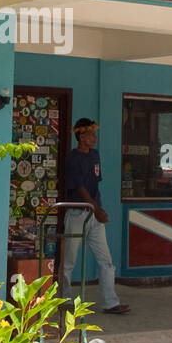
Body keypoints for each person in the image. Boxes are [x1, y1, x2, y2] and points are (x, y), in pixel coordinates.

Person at [61, 118, 129, 313]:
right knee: (69, 260)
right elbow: (79, 187)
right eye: (90, 134)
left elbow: (94, 184)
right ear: (81, 137)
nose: (94, 137)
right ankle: (64, 298)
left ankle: (111, 302)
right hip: (77, 213)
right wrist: (96, 209)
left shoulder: (95, 155)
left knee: (105, 259)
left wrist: (98, 209)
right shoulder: (72, 158)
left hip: (94, 215)